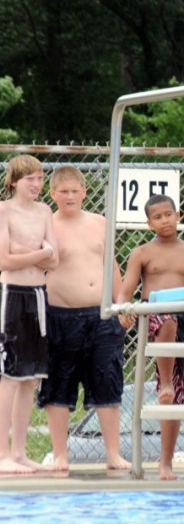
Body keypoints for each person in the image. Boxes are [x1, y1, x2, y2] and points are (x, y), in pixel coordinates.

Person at [116, 194, 184, 480]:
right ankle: (164, 381)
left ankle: (165, 463)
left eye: (168, 214)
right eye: (157, 217)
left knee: (177, 397)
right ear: (149, 223)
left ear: (178, 216)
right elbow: (126, 289)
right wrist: (123, 309)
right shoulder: (142, 253)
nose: (164, 220)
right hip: (154, 316)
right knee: (167, 319)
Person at [37, 166, 130, 471]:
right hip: (60, 315)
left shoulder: (99, 223)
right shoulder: (46, 225)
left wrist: (120, 304)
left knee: (108, 379)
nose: (69, 196)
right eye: (63, 191)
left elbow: (111, 265)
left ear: (84, 192)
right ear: (53, 193)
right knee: (59, 383)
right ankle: (60, 454)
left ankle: (113, 453)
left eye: (74, 191)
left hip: (102, 313)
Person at [0, 155, 59, 474]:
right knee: (9, 375)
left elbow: (55, 261)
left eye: (40, 178)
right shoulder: (4, 210)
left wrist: (25, 252)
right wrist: (40, 252)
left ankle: (19, 452)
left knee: (30, 378)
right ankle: (1, 455)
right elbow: (4, 261)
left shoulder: (45, 211)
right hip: (12, 295)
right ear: (14, 182)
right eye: (30, 179)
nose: (36, 184)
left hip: (39, 294)